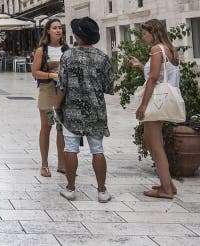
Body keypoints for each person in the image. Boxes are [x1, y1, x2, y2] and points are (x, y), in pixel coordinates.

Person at [55, 17, 114, 202]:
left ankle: (71, 188)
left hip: (72, 109)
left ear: (78, 36)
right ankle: (102, 191)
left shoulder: (67, 56)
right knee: (97, 149)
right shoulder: (102, 57)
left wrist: (57, 105)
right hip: (96, 109)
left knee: (71, 148)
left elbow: (62, 85)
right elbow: (108, 86)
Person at [127, 19, 181, 199]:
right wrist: (141, 65)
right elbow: (160, 75)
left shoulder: (156, 49)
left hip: (156, 100)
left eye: (145, 33)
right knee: (149, 140)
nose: (143, 37)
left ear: (154, 32)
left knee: (154, 143)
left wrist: (143, 105)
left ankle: (166, 188)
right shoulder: (169, 49)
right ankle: (168, 184)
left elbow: (152, 80)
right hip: (164, 98)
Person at [31, 19, 68, 178]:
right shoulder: (42, 50)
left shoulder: (67, 49)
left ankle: (62, 163)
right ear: (48, 31)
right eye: (55, 28)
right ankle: (44, 164)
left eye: (60, 28)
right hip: (47, 91)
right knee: (47, 127)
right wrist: (50, 75)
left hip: (63, 93)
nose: (58, 30)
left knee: (61, 129)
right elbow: (35, 72)